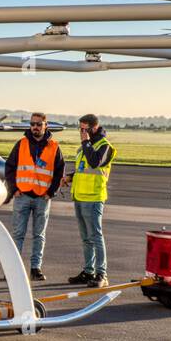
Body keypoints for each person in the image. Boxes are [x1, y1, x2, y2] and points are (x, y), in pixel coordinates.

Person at [5, 112, 63, 281]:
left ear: (46, 126)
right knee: (18, 234)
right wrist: (13, 189)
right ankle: (13, 269)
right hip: (22, 195)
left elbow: (59, 172)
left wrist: (51, 192)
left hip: (42, 198)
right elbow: (10, 166)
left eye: (38, 124)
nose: (35, 127)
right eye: (32, 124)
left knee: (39, 235)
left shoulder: (54, 146)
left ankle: (35, 268)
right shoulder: (21, 144)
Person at [63, 114, 116, 287]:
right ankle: (88, 271)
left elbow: (94, 163)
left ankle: (102, 274)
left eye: (84, 129)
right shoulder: (85, 148)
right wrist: (70, 178)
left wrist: (85, 142)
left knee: (96, 236)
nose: (81, 132)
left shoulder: (105, 147)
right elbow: (82, 170)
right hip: (79, 196)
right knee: (86, 238)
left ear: (94, 128)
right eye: (80, 128)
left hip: (94, 198)